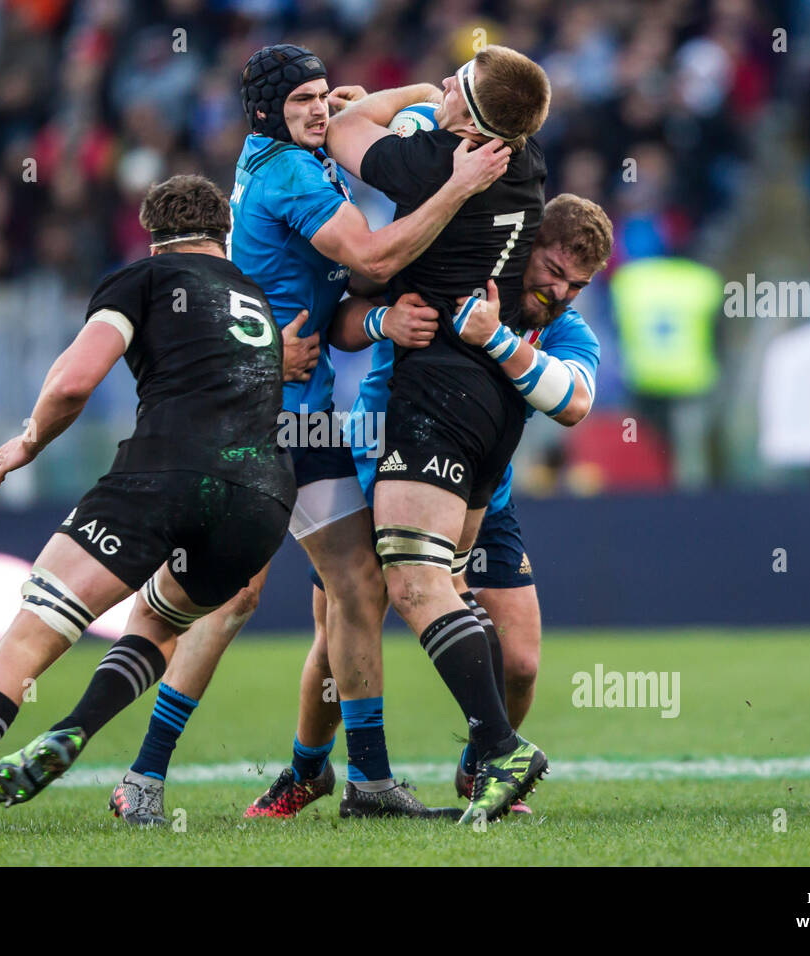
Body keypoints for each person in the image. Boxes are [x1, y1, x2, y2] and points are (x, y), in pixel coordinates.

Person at [0, 44, 510, 824]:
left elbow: (331, 301)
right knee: (229, 599)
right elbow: (372, 254)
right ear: (265, 110)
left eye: (326, 95)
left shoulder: (301, 156)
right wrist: (459, 183)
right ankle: (144, 774)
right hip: (259, 413)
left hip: (305, 407)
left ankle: (362, 779)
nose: (321, 109)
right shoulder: (292, 173)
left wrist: (374, 316)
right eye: (304, 99)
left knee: (356, 584)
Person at [0, 174, 296, 837]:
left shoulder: (142, 280)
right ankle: (75, 728)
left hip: (164, 476)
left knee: (26, 642)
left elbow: (75, 380)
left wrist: (30, 438)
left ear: (154, 240)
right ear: (225, 235)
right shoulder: (257, 300)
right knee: (159, 626)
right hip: (263, 498)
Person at [249, 194, 610, 819]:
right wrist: (381, 321)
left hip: (484, 500)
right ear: (526, 245)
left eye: (578, 283)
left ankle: (480, 767)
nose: (562, 292)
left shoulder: (561, 328)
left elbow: (575, 402)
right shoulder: (447, 270)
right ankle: (308, 769)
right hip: (380, 466)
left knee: (520, 660)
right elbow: (342, 302)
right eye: (553, 270)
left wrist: (497, 339)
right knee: (341, 627)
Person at [324, 45, 557, 823]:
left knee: (413, 580)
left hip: (439, 400)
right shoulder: (526, 166)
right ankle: (488, 750)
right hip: (497, 409)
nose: (444, 85)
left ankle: (499, 747)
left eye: (456, 83)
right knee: (447, 584)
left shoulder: (432, 166)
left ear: (467, 114)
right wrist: (441, 101)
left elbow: (344, 127)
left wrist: (410, 93)